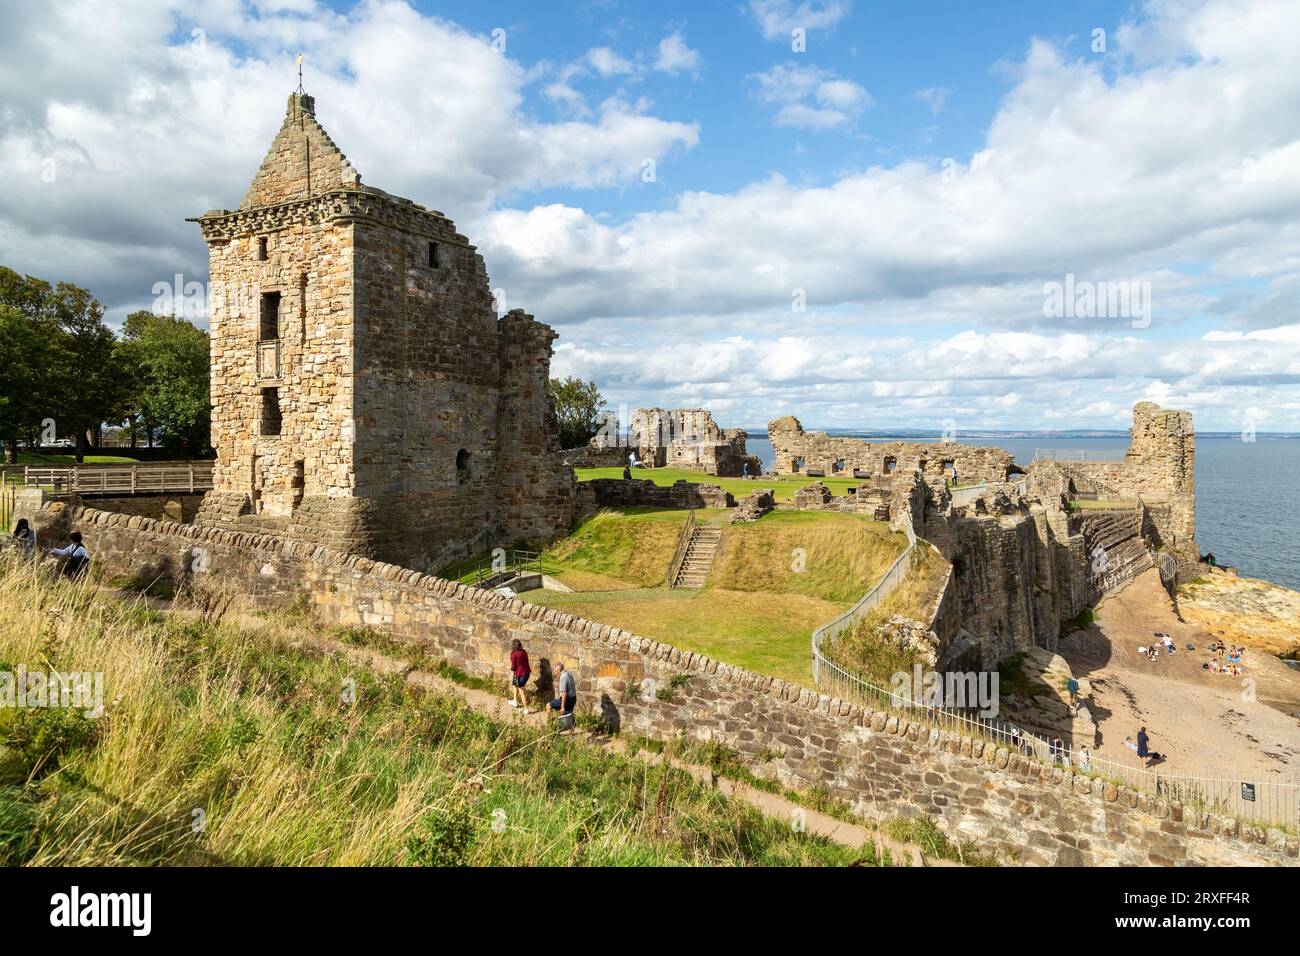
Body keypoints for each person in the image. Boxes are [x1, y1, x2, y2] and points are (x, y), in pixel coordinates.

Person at [508, 639, 531, 713]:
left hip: (520, 675)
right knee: (514, 685)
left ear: (513, 646)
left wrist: (513, 668)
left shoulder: (514, 654)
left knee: (521, 691)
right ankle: (515, 701)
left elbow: (513, 667)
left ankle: (526, 709)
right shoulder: (524, 652)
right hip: (527, 673)